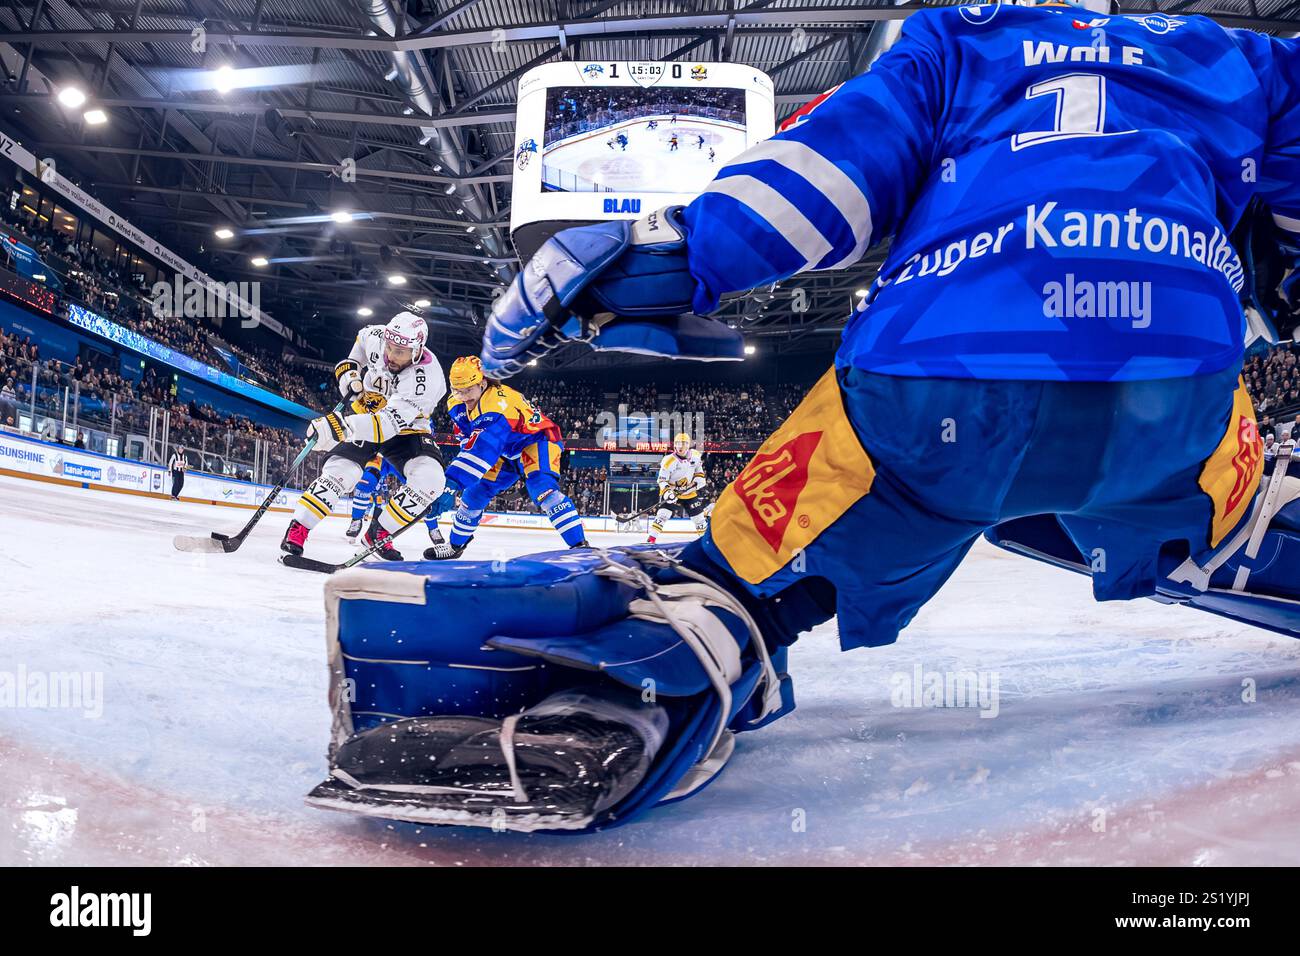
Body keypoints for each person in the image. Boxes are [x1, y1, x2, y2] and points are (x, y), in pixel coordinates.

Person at [319, 2, 1300, 832]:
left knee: (745, 571)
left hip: (936, 377)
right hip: (1176, 386)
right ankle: (1237, 534)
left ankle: (662, 661)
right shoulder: (1242, 56)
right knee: (1223, 502)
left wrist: (667, 254)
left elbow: (824, 182)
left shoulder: (957, 37)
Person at [280, 311, 450, 561]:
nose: (391, 355)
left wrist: (339, 427)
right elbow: (358, 347)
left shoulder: (427, 379)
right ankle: (299, 527)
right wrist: (349, 374)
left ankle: (378, 533)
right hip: (365, 412)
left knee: (431, 479)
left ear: (417, 350)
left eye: (399, 352)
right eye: (389, 348)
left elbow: (385, 426)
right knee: (342, 472)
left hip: (406, 428)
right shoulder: (375, 336)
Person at [425, 355, 587, 558]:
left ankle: (581, 547)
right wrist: (457, 484)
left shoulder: (497, 405)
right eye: (458, 390)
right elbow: (468, 442)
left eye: (468, 390)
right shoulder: (455, 403)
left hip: (535, 442)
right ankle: (455, 547)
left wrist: (451, 484)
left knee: (544, 490)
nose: (464, 397)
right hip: (504, 450)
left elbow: (482, 450)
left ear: (483, 383)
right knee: (473, 495)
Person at [647, 432, 710, 543]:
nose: (680, 446)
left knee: (699, 520)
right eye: (678, 443)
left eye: (684, 443)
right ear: (674, 445)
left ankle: (706, 543)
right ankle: (651, 539)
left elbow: (699, 474)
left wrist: (696, 483)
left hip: (689, 492)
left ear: (688, 444)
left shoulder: (695, 456)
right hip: (672, 491)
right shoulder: (668, 460)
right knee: (662, 515)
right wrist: (668, 493)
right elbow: (661, 480)